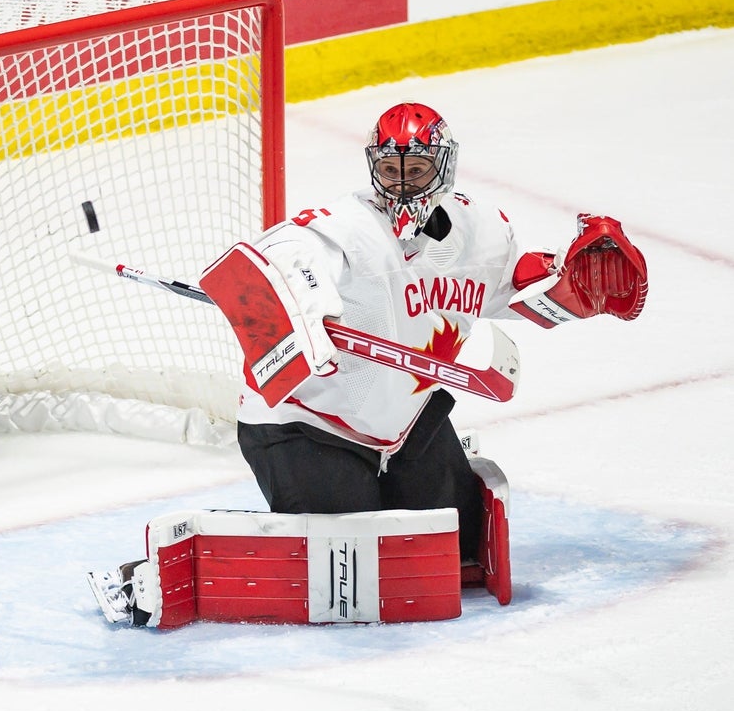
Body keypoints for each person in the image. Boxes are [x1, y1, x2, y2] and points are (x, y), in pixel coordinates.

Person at [231, 101, 648, 563]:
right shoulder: (348, 228)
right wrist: (302, 300)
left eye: (418, 168)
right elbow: (284, 251)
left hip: (405, 419)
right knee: (355, 562)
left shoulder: (483, 231)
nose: (403, 183)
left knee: (456, 549)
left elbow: (514, 286)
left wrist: (567, 286)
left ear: (444, 167)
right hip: (304, 422)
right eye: (390, 169)